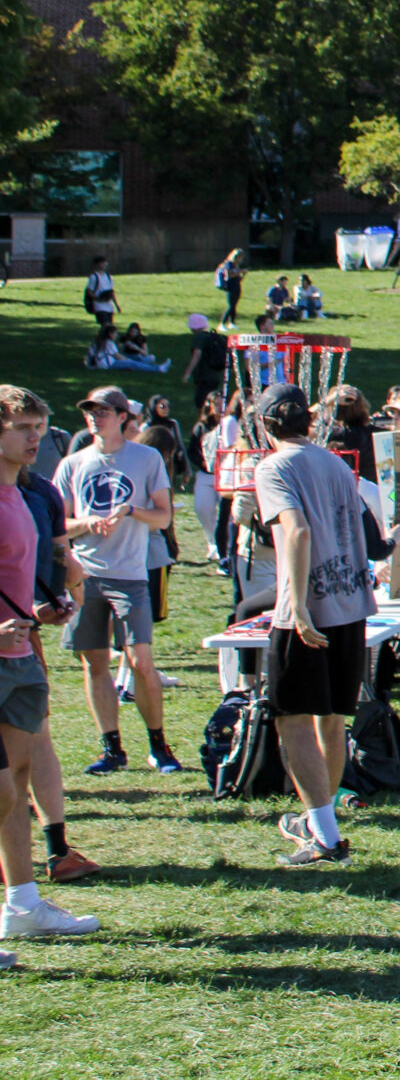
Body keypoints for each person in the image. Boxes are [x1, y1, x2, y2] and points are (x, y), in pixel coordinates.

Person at [254, 383, 380, 866]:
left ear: (266, 426)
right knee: (332, 719)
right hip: (351, 602)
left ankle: (326, 837)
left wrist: (298, 607)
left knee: (292, 720)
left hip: (308, 610)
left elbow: (298, 530)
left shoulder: (273, 467)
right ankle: (319, 821)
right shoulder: (332, 462)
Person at [0, 387, 100, 950]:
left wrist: (47, 605)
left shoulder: (29, 493)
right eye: (24, 427)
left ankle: (22, 904)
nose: (36, 438)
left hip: (22, 654)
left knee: (16, 784)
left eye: (41, 426)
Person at [56, 388, 180, 775]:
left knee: (141, 661)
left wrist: (130, 510)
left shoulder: (146, 458)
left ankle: (158, 745)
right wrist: (86, 524)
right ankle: (112, 748)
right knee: (93, 662)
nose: (95, 417)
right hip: (86, 575)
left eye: (104, 411)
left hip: (130, 576)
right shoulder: (73, 464)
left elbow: (163, 517)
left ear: (124, 416)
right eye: (90, 411)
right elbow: (59, 524)